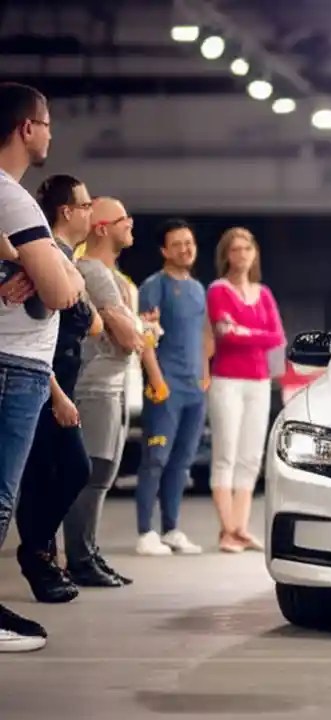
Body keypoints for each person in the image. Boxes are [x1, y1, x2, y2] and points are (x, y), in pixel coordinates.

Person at [0, 82, 85, 652]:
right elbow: (62, 292)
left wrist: (22, 256)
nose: (51, 132)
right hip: (14, 366)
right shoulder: (13, 197)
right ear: (27, 127)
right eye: (47, 122)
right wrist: (52, 264)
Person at [12, 175, 98, 605]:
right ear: (66, 211)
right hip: (43, 383)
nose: (91, 212)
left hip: (59, 382)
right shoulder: (46, 259)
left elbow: (89, 321)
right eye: (86, 205)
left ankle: (43, 556)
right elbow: (31, 336)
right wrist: (57, 393)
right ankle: (36, 553)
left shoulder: (63, 257)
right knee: (69, 469)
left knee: (46, 473)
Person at [63, 196, 145, 586]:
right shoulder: (93, 272)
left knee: (103, 475)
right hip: (95, 386)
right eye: (122, 219)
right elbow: (129, 337)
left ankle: (89, 552)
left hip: (111, 386)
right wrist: (140, 332)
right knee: (92, 475)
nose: (130, 224)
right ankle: (79, 559)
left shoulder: (112, 277)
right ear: (102, 228)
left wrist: (138, 332)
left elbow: (131, 333)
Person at [206, 227, 283, 553]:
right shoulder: (218, 290)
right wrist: (253, 332)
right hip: (227, 380)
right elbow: (226, 335)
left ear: (254, 254)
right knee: (226, 453)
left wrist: (244, 330)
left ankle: (240, 528)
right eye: (235, 250)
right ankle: (227, 530)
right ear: (226, 255)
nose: (242, 255)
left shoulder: (263, 293)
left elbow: (277, 336)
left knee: (251, 457)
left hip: (259, 380)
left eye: (247, 249)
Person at [134, 219, 208, 556]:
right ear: (164, 251)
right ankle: (145, 531)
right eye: (177, 244)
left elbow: (204, 336)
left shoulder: (197, 288)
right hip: (165, 387)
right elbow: (145, 337)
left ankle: (172, 529)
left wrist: (205, 376)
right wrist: (157, 379)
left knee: (182, 461)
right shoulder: (155, 285)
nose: (185, 249)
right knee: (156, 458)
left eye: (189, 242)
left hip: (195, 389)